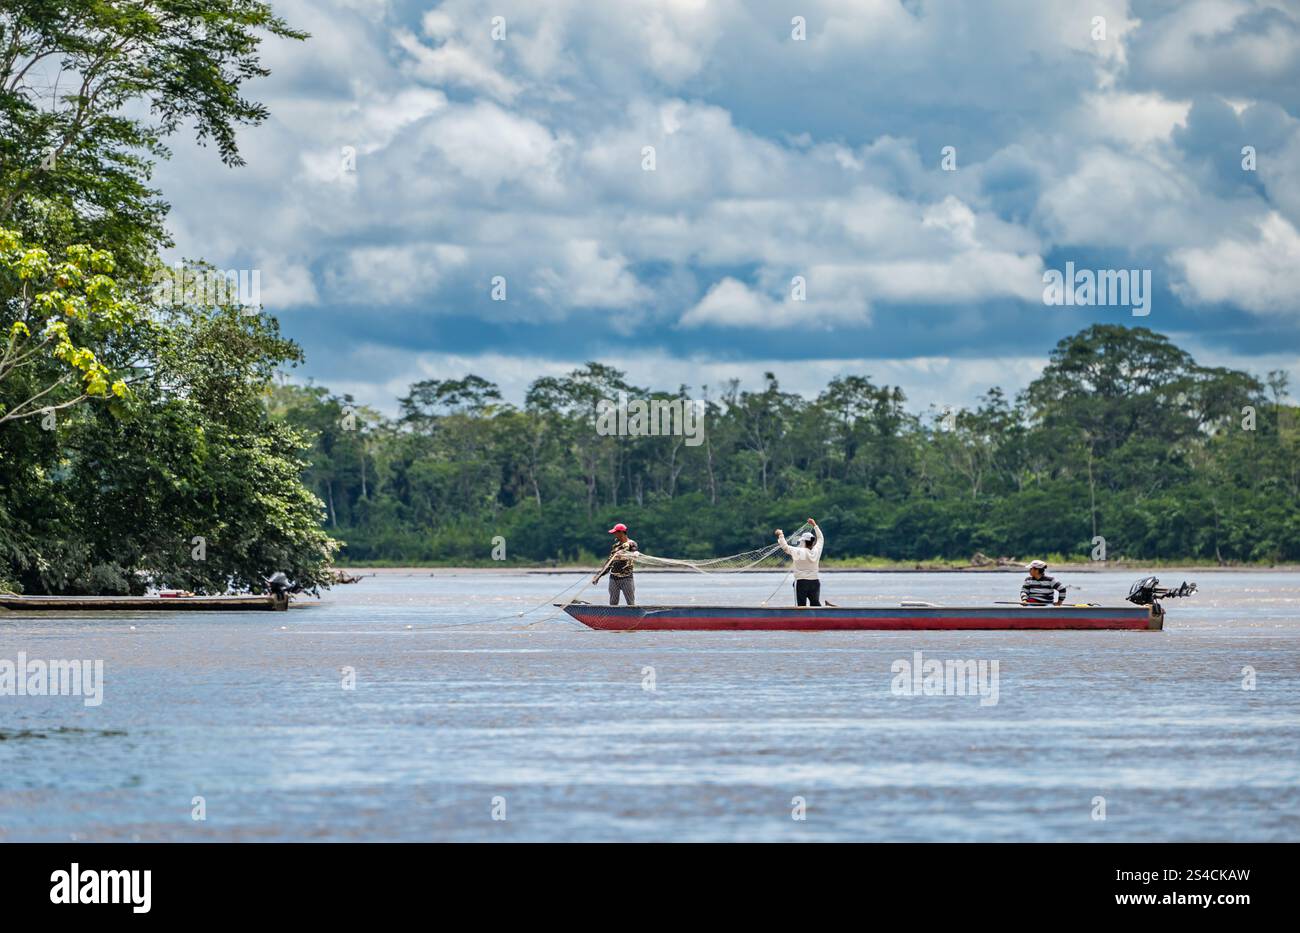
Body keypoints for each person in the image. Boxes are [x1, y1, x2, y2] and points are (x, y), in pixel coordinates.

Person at [776, 518, 823, 607]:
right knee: (815, 604)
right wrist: (814, 525)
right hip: (815, 582)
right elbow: (821, 538)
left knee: (801, 606)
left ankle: (802, 619)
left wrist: (780, 534)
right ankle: (819, 619)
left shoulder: (797, 551)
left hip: (801, 582)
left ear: (804, 541)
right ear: (813, 542)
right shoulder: (817, 550)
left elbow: (785, 547)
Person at [593, 522, 638, 606]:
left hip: (627, 578)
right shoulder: (615, 546)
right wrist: (598, 576)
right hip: (613, 578)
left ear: (621, 532)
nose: (614, 534)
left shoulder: (631, 543)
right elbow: (609, 563)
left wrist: (625, 553)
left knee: (631, 603)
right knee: (613, 603)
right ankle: (613, 617)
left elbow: (633, 551)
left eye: (615, 532)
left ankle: (634, 617)